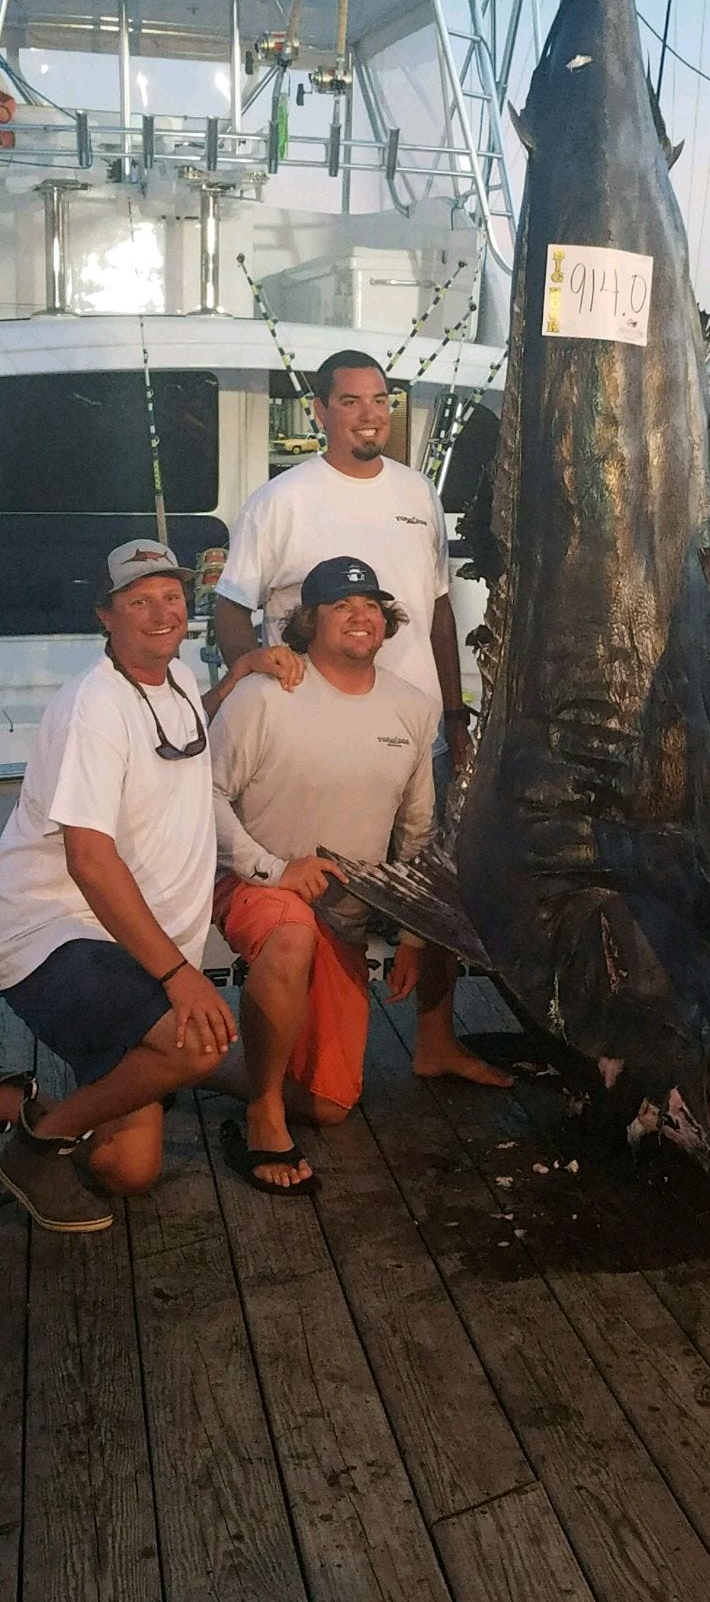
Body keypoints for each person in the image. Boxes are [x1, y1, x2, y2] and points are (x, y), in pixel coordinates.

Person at [0, 540, 294, 1233]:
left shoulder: (181, 679)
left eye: (171, 595)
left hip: (122, 944)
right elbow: (89, 859)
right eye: (139, 600)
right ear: (106, 614)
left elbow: (186, 728)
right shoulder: (93, 708)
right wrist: (178, 975)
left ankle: (19, 1102)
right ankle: (35, 1148)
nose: (162, 611)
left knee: (128, 1172)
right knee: (197, 1044)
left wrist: (243, 668)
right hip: (54, 933)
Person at [210, 555, 509, 1193]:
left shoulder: (413, 707)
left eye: (372, 605)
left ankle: (184, 1065)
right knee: (289, 933)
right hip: (257, 887)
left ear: (388, 622)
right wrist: (273, 870)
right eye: (342, 606)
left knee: (331, 1105)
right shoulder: (263, 696)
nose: (360, 616)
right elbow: (203, 798)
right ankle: (261, 1115)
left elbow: (418, 836)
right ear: (308, 624)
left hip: (344, 915)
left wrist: (413, 936)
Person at [214, 348, 470, 771]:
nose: (369, 415)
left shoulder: (420, 493)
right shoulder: (280, 500)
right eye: (350, 402)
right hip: (314, 743)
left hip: (422, 739)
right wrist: (258, 683)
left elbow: (439, 612)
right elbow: (231, 608)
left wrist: (455, 715)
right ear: (320, 411)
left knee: (423, 839)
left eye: (380, 400)